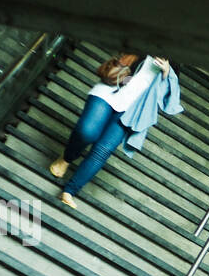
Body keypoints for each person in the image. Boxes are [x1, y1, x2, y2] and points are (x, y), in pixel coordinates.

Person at [49, 52, 182, 208]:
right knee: (88, 132)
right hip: (109, 92)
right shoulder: (143, 40)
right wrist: (129, 81)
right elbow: (123, 64)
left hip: (131, 110)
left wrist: (166, 73)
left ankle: (70, 191)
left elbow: (167, 99)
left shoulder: (173, 62)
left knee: (102, 151)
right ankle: (66, 158)